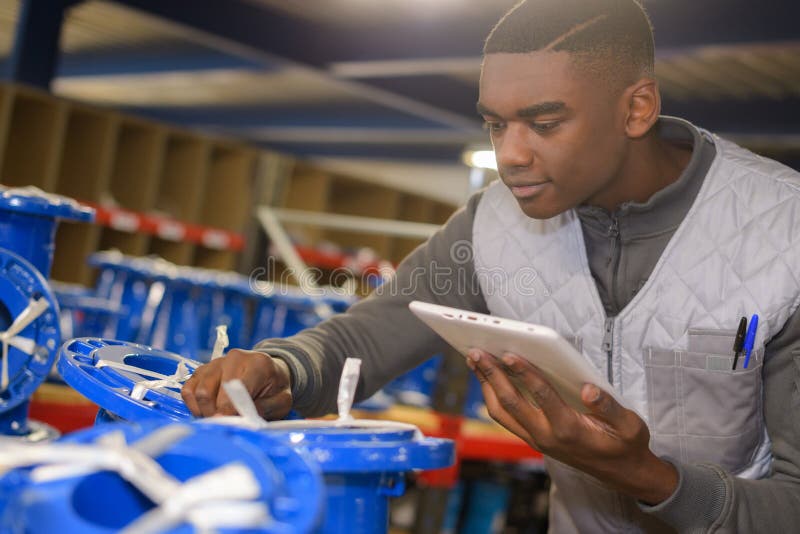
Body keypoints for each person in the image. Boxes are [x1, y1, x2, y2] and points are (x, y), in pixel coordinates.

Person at [182, 0, 800, 531]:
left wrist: (645, 476)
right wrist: (283, 368)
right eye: (495, 124)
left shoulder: (783, 233)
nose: (510, 156)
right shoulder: (492, 226)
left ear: (636, 109)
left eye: (544, 122)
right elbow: (365, 336)